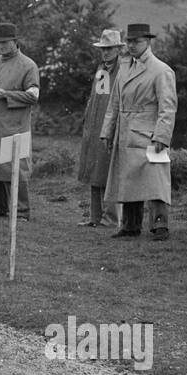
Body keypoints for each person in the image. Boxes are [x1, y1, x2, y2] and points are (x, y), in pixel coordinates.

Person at [100, 23, 176, 240]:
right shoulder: (124, 67)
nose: (132, 45)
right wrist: (107, 130)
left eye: (137, 41)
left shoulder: (161, 70)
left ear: (148, 42)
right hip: (126, 132)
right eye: (130, 41)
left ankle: (160, 225)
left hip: (150, 133)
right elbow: (114, 102)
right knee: (128, 178)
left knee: (156, 180)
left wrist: (162, 135)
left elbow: (168, 107)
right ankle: (130, 225)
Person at [0, 22, 40, 218]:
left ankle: (22, 210)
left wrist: (5, 94)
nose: (1, 46)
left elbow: (33, 95)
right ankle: (0, 208)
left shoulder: (28, 65)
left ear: (15, 41)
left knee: (14, 166)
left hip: (14, 126)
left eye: (4, 42)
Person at [77, 29, 123, 228]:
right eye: (103, 49)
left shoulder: (123, 69)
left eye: (109, 48)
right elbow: (96, 96)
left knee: (110, 171)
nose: (105, 52)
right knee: (95, 170)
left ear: (118, 49)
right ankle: (95, 217)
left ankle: (111, 217)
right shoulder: (101, 69)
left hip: (112, 127)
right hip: (94, 127)